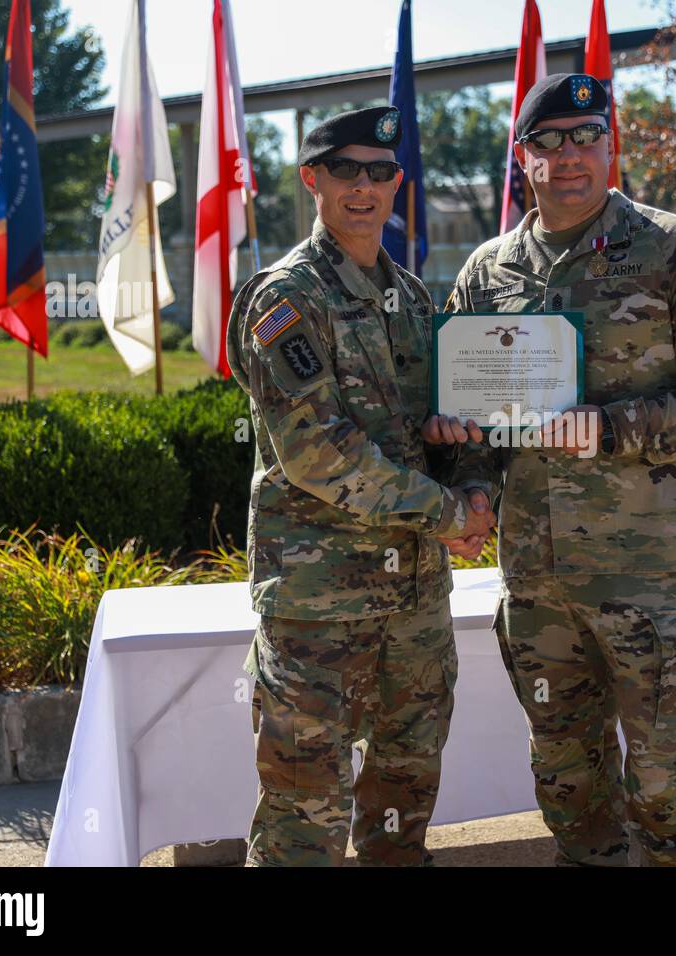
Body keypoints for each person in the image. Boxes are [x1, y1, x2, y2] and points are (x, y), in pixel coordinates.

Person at [426, 73, 676, 865]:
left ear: (610, 145)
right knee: (565, 772)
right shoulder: (487, 271)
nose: (570, 155)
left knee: (663, 775)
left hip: (644, 567)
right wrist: (466, 467)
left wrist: (611, 429)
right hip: (536, 575)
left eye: (587, 137)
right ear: (525, 157)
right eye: (550, 142)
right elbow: (466, 409)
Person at [226, 106, 496, 866]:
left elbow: (455, 423)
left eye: (380, 172)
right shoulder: (284, 300)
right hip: (319, 606)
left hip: (414, 602)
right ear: (312, 178)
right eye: (345, 169)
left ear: (397, 184)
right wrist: (448, 513)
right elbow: (319, 453)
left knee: (401, 808)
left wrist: (477, 489)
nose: (363, 187)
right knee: (301, 819)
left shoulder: (413, 300)